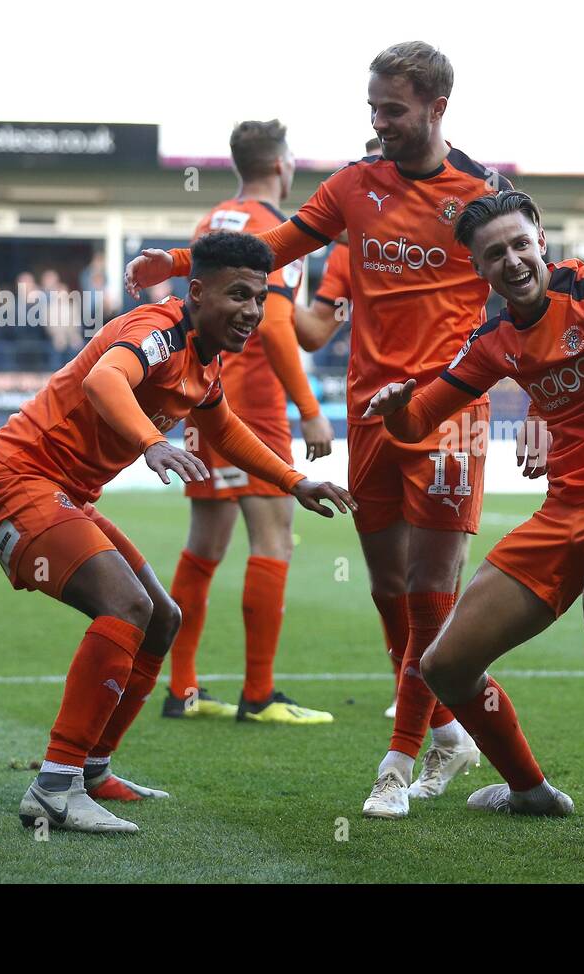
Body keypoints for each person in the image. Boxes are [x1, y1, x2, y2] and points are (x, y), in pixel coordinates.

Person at [127, 42, 526, 814]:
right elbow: (272, 251)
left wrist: (553, 396)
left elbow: (530, 292)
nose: (378, 124)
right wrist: (178, 260)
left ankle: (398, 766)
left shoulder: (483, 195)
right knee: (386, 586)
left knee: (429, 592)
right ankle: (448, 728)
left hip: (449, 413)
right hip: (369, 414)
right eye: (372, 108)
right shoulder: (352, 187)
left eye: (393, 111)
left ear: (438, 106)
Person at [0, 232, 355, 833]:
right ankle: (54, 786)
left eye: (259, 297)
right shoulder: (158, 328)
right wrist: (152, 442)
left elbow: (223, 429)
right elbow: (103, 381)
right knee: (125, 605)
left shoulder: (204, 355)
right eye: (239, 295)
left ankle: (91, 769)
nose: (252, 310)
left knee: (161, 617)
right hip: (11, 484)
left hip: (60, 493)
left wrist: (293, 480)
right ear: (197, 291)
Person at [365, 190, 584, 858]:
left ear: (540, 238)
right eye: (494, 254)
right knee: (444, 666)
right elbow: (418, 422)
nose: (512, 260)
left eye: (520, 244)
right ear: (479, 269)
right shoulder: (494, 341)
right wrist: (395, 407)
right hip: (567, 510)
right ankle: (529, 791)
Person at [162, 119, 337, 727]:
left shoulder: (213, 221)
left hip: (198, 392)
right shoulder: (273, 230)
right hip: (253, 406)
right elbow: (277, 325)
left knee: (204, 545)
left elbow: (303, 325)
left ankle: (181, 688)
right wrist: (310, 411)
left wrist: (337, 297)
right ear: (283, 165)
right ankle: (258, 694)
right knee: (274, 538)